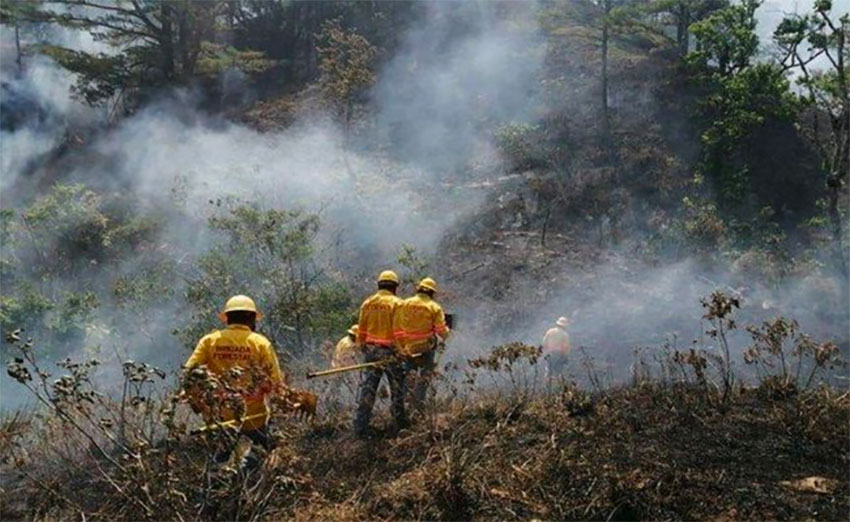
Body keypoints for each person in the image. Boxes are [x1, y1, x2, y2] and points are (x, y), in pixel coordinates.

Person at [183, 295, 285, 466]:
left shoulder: (209, 341)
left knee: (218, 464)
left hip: (218, 418)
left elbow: (188, 375)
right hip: (253, 418)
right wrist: (282, 403)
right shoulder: (260, 343)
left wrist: (198, 403)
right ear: (251, 318)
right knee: (255, 461)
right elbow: (275, 383)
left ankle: (219, 479)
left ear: (227, 318)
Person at [353, 270, 405, 437]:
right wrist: (403, 351)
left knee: (368, 388)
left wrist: (363, 347)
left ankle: (361, 427)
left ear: (379, 285)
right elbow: (398, 332)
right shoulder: (397, 303)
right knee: (397, 388)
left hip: (371, 350)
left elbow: (361, 330)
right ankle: (399, 424)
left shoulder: (368, 303)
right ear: (395, 287)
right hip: (390, 351)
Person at [393, 277, 450, 412]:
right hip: (426, 348)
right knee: (424, 377)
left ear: (418, 289)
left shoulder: (405, 304)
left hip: (408, 348)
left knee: (408, 376)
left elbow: (397, 327)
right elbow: (441, 331)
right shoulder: (434, 307)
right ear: (432, 293)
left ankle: (404, 406)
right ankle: (418, 406)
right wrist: (447, 333)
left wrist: (401, 346)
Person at [542, 316, 571, 380]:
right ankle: (557, 383)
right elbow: (566, 347)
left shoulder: (550, 331)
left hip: (549, 353)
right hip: (559, 354)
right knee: (558, 371)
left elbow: (544, 342)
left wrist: (545, 352)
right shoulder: (564, 335)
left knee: (548, 371)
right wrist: (566, 356)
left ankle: (547, 383)